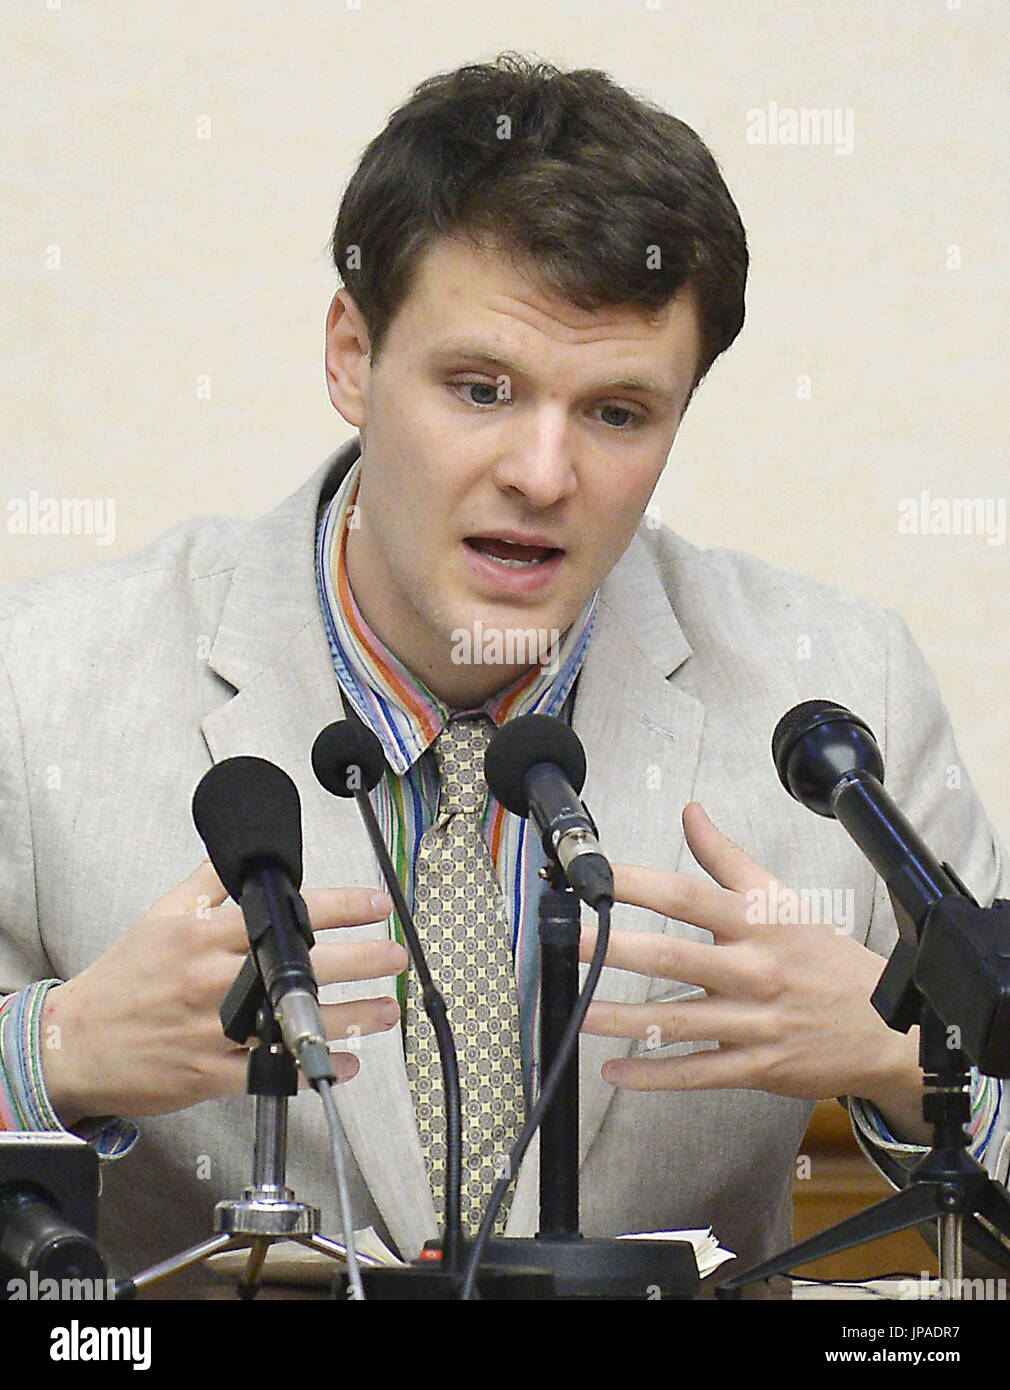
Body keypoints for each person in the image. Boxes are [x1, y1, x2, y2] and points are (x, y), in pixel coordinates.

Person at [1, 54, 1006, 1285]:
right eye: (481, 389)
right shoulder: (42, 685)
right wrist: (54, 1047)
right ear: (349, 356)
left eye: (617, 413)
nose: (542, 472)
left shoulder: (843, 701)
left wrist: (905, 1057)